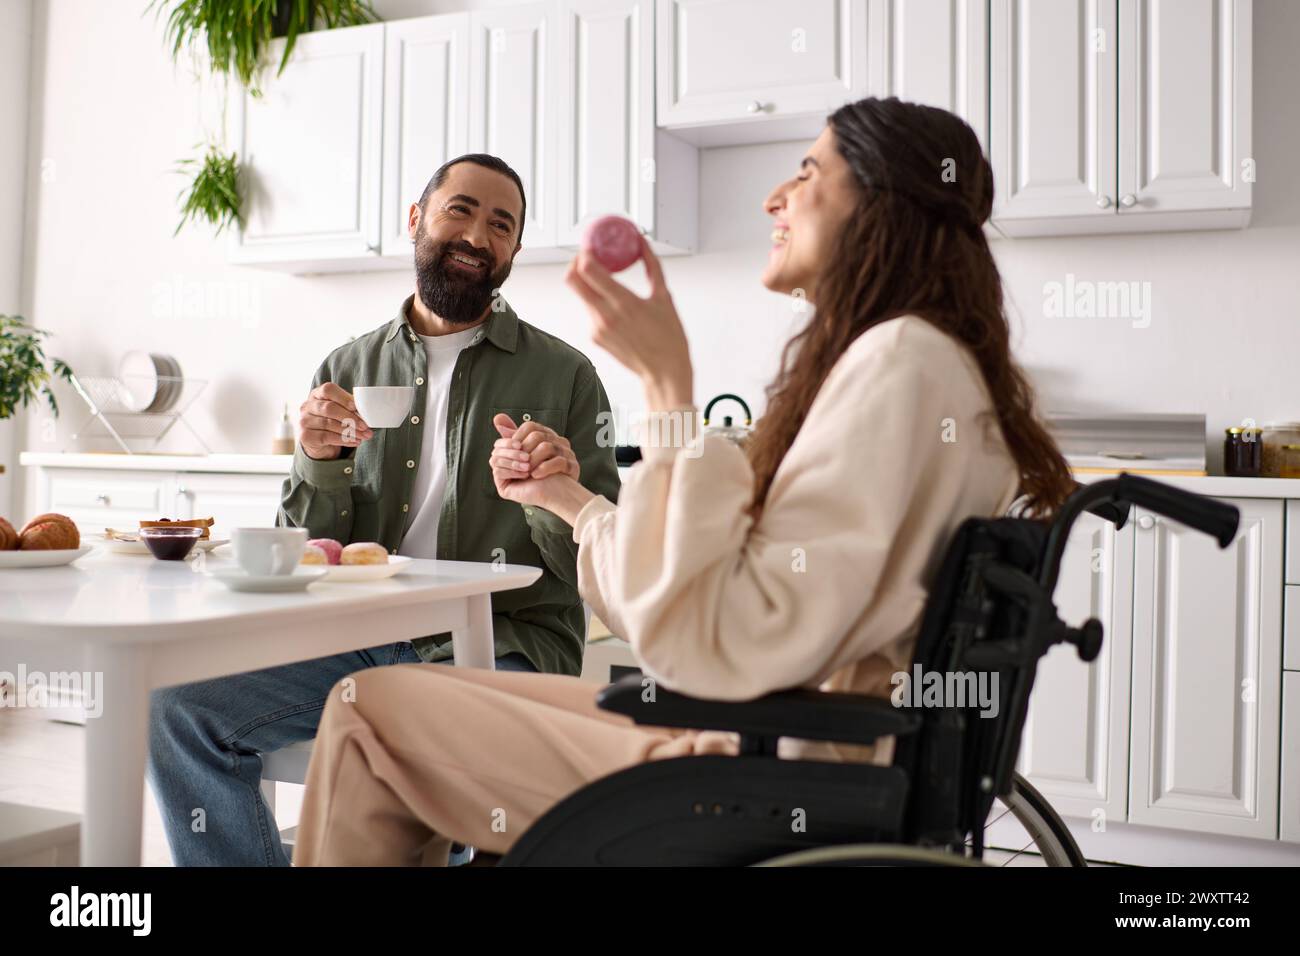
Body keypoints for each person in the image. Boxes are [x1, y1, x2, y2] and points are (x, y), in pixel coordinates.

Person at [290, 98, 1076, 866]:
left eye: (809, 171)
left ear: (881, 202)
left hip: (755, 763)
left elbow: (707, 644)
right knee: (383, 700)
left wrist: (669, 389)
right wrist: (565, 499)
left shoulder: (900, 364)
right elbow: (708, 601)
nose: (775, 197)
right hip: (778, 738)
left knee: (368, 717)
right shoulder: (923, 363)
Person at [146, 153, 620, 866]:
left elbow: (597, 568)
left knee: (420, 744)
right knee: (178, 707)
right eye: (460, 209)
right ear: (416, 220)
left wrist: (554, 494)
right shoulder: (345, 368)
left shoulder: (567, 376)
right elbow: (304, 550)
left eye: (501, 224)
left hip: (506, 642)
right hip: (360, 635)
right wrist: (318, 460)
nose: (477, 235)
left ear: (515, 252)